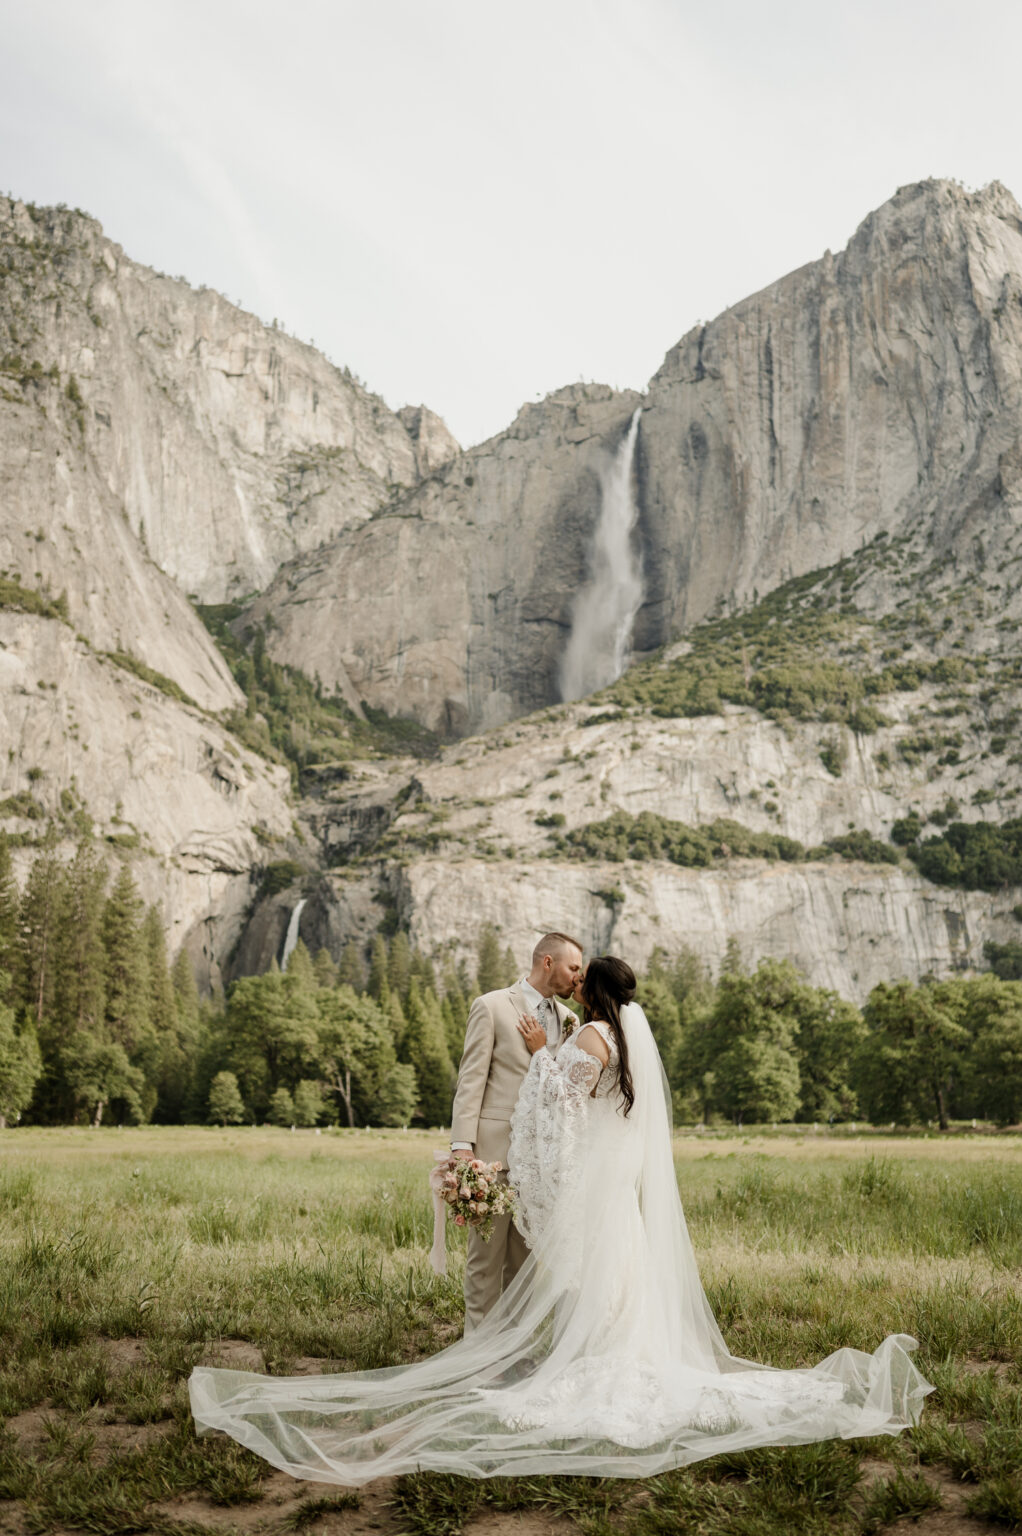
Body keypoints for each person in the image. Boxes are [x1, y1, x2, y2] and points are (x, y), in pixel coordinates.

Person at [189, 955, 932, 1484]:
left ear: (593, 992)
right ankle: (570, 1356)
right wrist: (472, 1143)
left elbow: (562, 1099)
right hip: (599, 1180)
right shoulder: (611, 1032)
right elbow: (528, 1090)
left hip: (595, 1181)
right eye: (568, 973)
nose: (574, 986)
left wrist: (546, 1054)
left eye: (583, 979)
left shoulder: (587, 1034)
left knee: (589, 1275)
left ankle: (579, 1367)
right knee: (602, 1277)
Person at [449, 931, 582, 1331]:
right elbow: (471, 1080)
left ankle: (513, 1353)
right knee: (484, 1260)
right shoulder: (491, 1006)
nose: (578, 978)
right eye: (573, 968)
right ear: (547, 962)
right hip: (493, 1155)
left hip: (540, 1161)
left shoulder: (569, 1020)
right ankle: (477, 1353)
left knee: (524, 1266)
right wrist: (462, 1148)